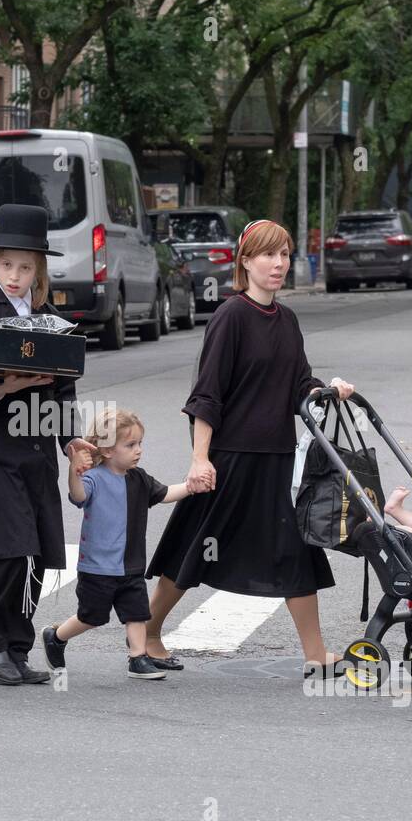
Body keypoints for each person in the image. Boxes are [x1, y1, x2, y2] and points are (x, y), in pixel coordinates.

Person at [143, 219, 357, 679]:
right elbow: (208, 393)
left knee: (295, 550)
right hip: (231, 459)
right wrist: (200, 458)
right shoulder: (231, 316)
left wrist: (328, 389)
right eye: (267, 255)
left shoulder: (287, 319)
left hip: (277, 458)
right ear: (245, 261)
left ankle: (316, 653)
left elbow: (299, 383)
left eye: (283, 254)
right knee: (196, 548)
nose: (278, 264)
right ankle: (145, 634)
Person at [0, 204, 99, 686]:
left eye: (26, 267)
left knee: (37, 552)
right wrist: (4, 388)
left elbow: (64, 390)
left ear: (39, 271)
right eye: (8, 265)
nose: (15, 275)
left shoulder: (52, 321)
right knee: (9, 550)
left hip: (36, 455)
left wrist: (72, 441)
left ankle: (17, 646)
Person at [42, 408, 194, 680]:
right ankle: (56, 636)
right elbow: (77, 496)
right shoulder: (93, 478)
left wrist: (192, 486)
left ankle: (137, 658)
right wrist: (73, 472)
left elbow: (166, 494)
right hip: (98, 567)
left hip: (130, 565)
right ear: (109, 451)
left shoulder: (139, 478)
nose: (138, 450)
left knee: (137, 613)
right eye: (131, 444)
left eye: (140, 444)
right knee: (92, 617)